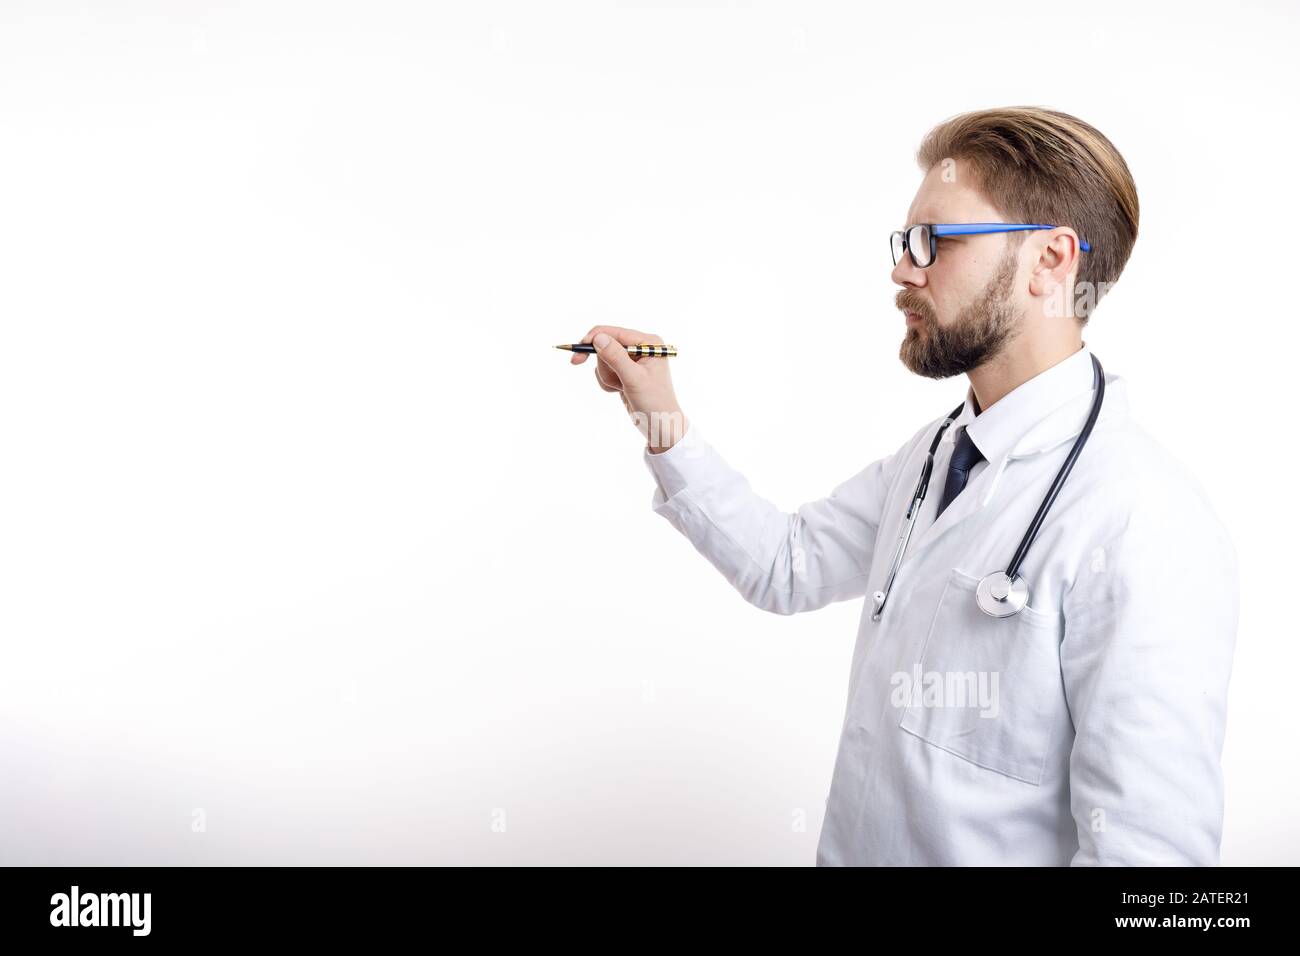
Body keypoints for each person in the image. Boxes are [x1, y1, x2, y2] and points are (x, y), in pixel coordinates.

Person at [567, 107, 1239, 866]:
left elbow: (1150, 862)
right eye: (903, 242)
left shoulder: (1143, 522)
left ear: (1051, 261)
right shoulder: (933, 456)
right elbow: (786, 566)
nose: (901, 270)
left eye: (934, 242)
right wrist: (657, 415)